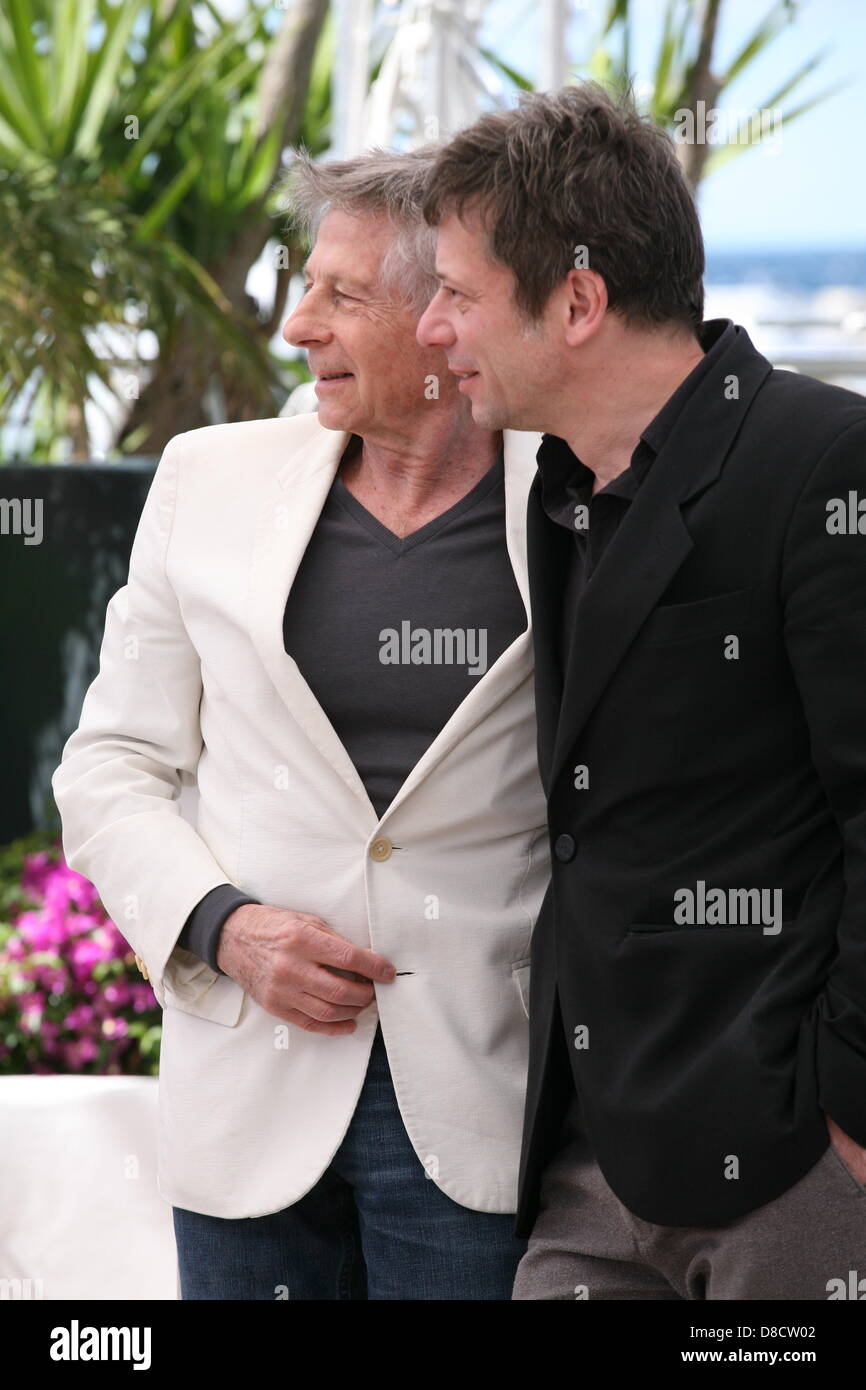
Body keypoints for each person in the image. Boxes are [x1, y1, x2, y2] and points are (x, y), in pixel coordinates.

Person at [52, 148, 549, 1301]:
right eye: (301, 284)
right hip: (245, 1095)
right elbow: (111, 766)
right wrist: (222, 926)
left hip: (487, 1106)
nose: (294, 327)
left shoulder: (575, 499)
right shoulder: (207, 478)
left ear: (444, 315)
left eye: (338, 296)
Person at [416, 82, 866, 1300]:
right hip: (592, 1158)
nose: (429, 329)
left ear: (575, 302)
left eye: (455, 294)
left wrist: (842, 1127)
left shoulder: (824, 457)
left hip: (789, 1178)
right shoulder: (555, 489)